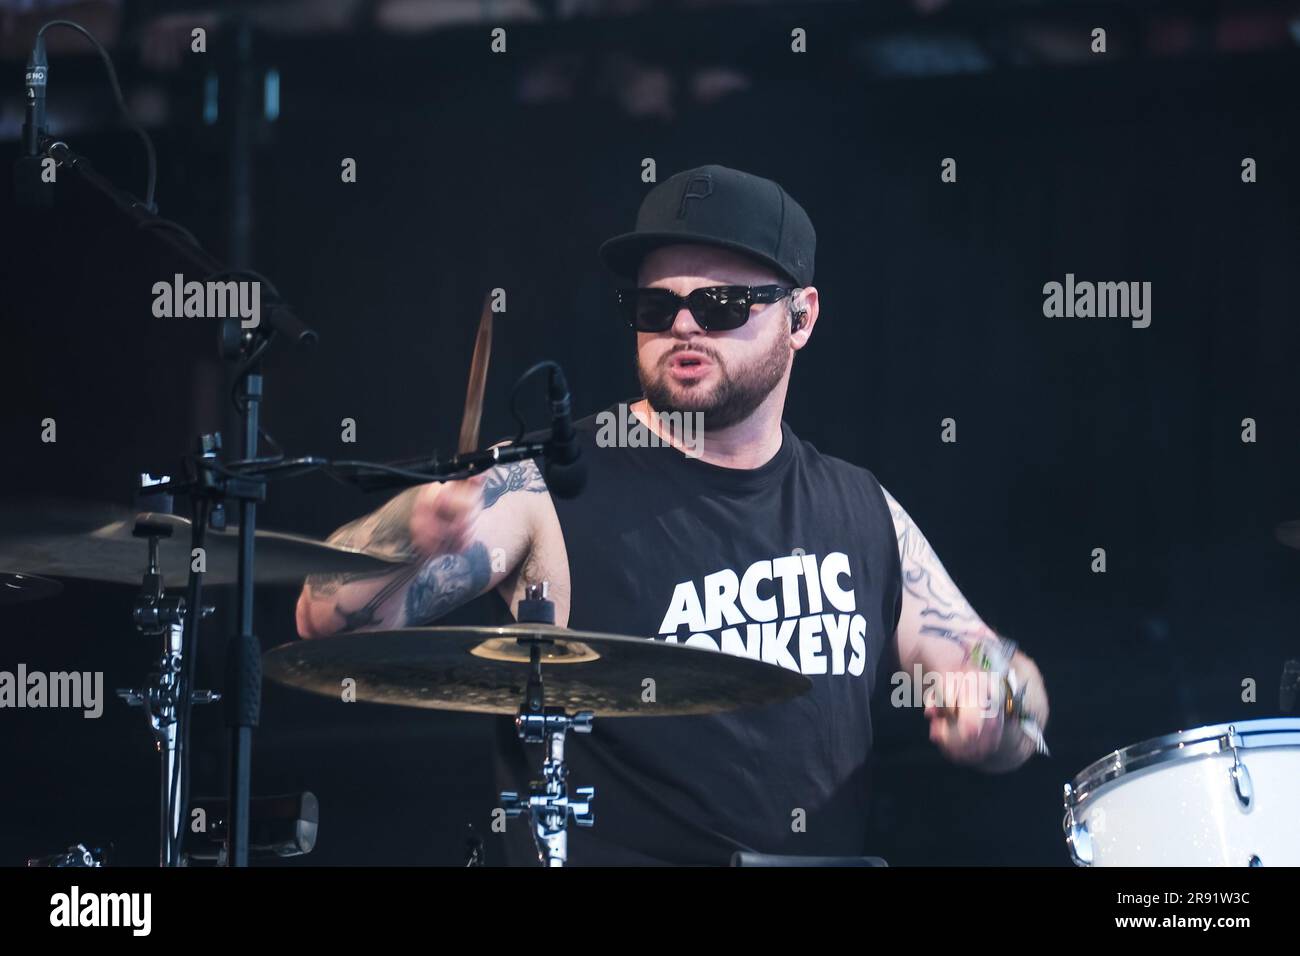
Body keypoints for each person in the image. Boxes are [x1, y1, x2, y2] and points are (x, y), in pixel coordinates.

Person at [296, 163, 1049, 865]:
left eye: (720, 305)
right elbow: (322, 618)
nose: (684, 326)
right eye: (656, 306)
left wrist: (995, 708)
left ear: (801, 316)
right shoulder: (542, 486)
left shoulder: (859, 507)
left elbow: (999, 672)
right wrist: (413, 531)